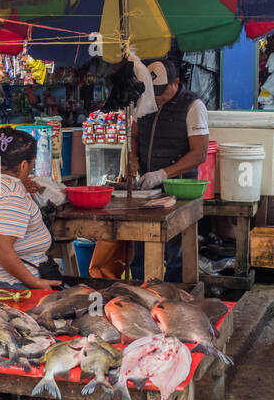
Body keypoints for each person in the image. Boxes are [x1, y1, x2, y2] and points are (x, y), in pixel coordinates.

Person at [89, 59, 209, 281]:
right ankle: (140, 292)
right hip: (145, 191)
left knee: (176, 251)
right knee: (141, 243)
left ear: (176, 83)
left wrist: (162, 174)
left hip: (180, 189)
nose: (157, 97)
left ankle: (175, 298)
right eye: (154, 92)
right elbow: (134, 136)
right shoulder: (144, 100)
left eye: (162, 92)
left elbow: (199, 153)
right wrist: (133, 159)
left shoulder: (193, 106)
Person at [0, 126, 62, 290]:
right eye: (32, 164)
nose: (31, 169)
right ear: (24, 164)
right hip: (7, 281)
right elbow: (1, 248)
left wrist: (19, 182)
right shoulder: (12, 195)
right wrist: (35, 283)